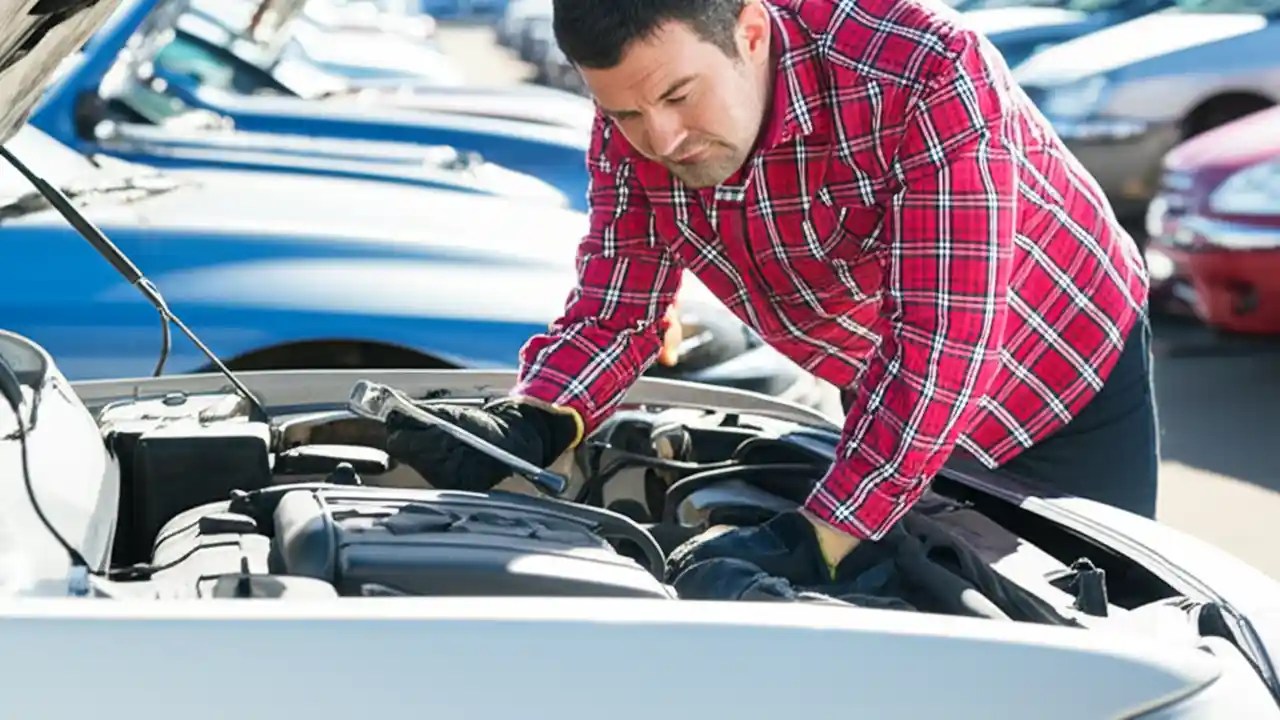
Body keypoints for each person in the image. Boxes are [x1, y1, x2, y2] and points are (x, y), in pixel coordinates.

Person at [386, 0, 1156, 584]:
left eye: (680, 96)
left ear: (750, 31)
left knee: (1081, 629)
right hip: (879, 375)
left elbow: (942, 340)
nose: (661, 139)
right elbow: (617, 308)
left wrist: (823, 531)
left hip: (1060, 376)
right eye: (624, 113)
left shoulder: (924, 69)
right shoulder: (634, 121)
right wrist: (532, 419)